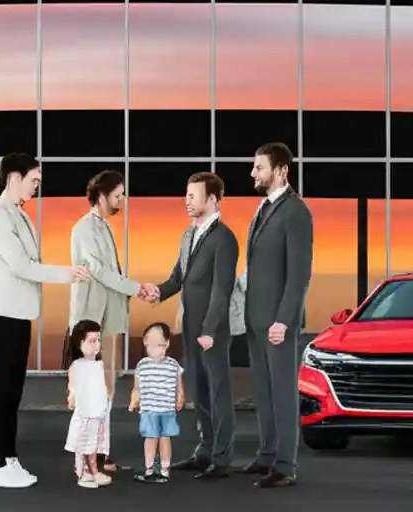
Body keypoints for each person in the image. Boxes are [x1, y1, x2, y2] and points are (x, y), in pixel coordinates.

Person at [0, 152, 90, 489]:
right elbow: (21, 266)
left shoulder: (19, 216)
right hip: (0, 313)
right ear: (14, 177)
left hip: (18, 313)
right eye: (34, 180)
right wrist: (67, 273)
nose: (37, 187)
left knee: (12, 392)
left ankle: (9, 458)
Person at [149, 171, 239, 479]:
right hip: (191, 326)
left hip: (210, 331)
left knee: (217, 391)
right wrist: (157, 292)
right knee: (200, 390)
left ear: (212, 199)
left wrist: (210, 329)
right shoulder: (188, 235)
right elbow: (179, 278)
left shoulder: (224, 238)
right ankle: (205, 450)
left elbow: (222, 289)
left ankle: (222, 458)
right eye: (186, 195)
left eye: (192, 195)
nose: (186, 201)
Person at [66, 169, 157, 475]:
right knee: (93, 390)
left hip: (108, 319)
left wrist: (132, 291)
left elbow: (109, 274)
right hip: (92, 321)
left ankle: (101, 454)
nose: (121, 200)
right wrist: (136, 288)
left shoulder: (102, 227)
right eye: (118, 194)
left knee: (107, 388)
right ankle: (88, 458)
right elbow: (99, 271)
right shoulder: (84, 229)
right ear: (101, 195)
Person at [240, 142, 313, 489]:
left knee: (283, 392)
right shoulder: (263, 209)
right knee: (264, 391)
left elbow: (299, 274)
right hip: (257, 319)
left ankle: (285, 465)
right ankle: (267, 454)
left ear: (281, 170)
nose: (253, 173)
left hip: (277, 323)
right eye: (254, 167)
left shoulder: (296, 212)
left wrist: (284, 320)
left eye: (259, 167)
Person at [128, 321, 185, 483]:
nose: (155, 349)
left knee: (165, 437)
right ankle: (149, 467)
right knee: (150, 438)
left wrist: (180, 398)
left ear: (167, 344)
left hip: (167, 410)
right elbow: (137, 387)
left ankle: (165, 468)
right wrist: (134, 401)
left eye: (159, 345)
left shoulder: (173, 365)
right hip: (148, 410)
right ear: (145, 343)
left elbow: (179, 385)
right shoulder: (142, 365)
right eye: (150, 345)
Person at [65, 319, 113, 489]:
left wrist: (106, 399)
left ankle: (93, 470)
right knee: (85, 444)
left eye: (98, 340)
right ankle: (85, 472)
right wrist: (72, 396)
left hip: (98, 411)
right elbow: (73, 386)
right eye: (92, 341)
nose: (97, 345)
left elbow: (102, 386)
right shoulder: (76, 366)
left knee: (94, 443)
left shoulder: (99, 365)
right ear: (80, 343)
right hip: (86, 411)